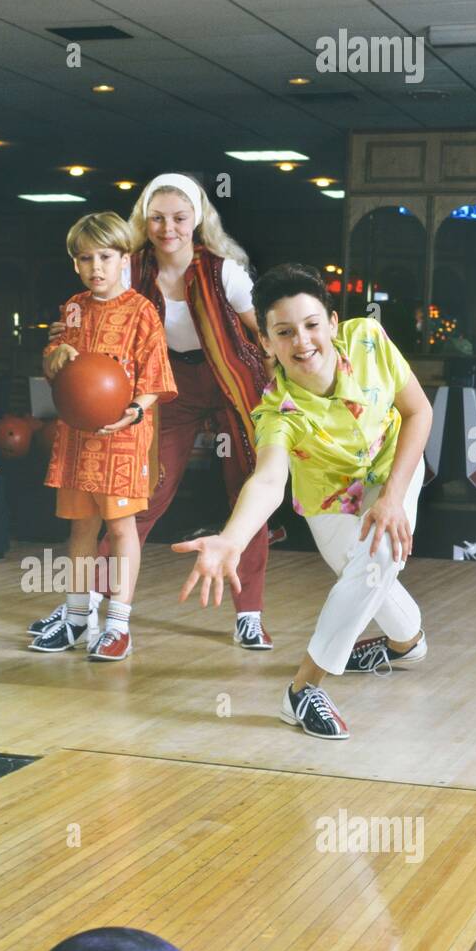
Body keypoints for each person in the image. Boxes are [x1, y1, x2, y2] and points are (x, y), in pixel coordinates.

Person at [173, 263, 433, 740]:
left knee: (377, 557)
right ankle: (405, 645)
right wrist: (232, 538)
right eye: (285, 332)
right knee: (373, 580)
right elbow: (269, 480)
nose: (303, 341)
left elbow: (418, 410)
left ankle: (302, 689)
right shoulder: (276, 412)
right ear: (267, 343)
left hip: (393, 469)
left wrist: (393, 497)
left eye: (312, 325)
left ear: (332, 325)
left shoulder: (369, 339)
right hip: (329, 503)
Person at [29, 172, 273, 650]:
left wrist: (279, 389)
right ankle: (90, 606)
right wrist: (61, 342)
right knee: (137, 498)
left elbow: (263, 335)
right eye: (157, 218)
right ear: (144, 220)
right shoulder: (127, 268)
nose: (167, 228)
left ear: (196, 220)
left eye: (179, 218)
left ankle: (249, 613)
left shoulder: (223, 271)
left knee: (249, 494)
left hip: (230, 380)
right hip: (165, 386)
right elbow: (80, 326)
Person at [30, 211, 177, 661]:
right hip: (78, 434)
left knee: (120, 527)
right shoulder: (72, 307)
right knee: (80, 526)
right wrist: (56, 354)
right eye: (86, 258)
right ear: (75, 263)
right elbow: (55, 365)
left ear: (125, 259)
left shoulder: (142, 310)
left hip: (123, 436)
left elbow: (154, 378)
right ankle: (77, 618)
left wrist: (133, 411)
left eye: (106, 257)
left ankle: (118, 625)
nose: (96, 267)